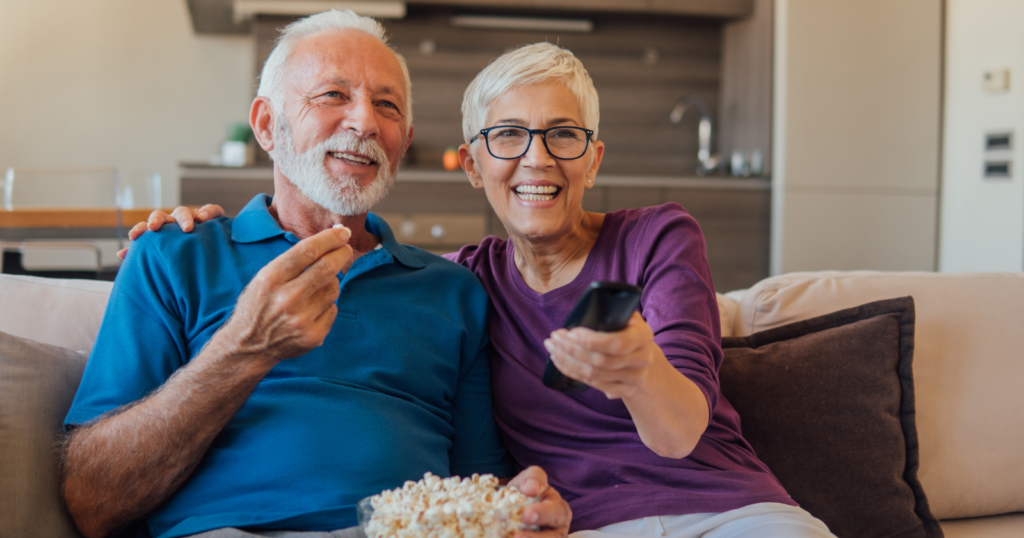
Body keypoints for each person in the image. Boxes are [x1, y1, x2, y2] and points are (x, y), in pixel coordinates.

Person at [134, 42, 837, 538]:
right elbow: (364, 271)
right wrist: (205, 229)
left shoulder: (656, 236)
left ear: (592, 159)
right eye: (507, 137)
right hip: (586, 527)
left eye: (562, 136)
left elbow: (680, 433)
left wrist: (639, 370)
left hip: (732, 509)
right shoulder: (459, 282)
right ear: (472, 166)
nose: (537, 159)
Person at [61, 11, 570, 538]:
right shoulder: (173, 255)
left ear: (402, 142)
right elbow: (91, 501)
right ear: (267, 125)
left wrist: (523, 513)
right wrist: (244, 348)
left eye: (387, 106)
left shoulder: (454, 291)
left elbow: (481, 487)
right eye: (332, 95)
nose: (365, 122)